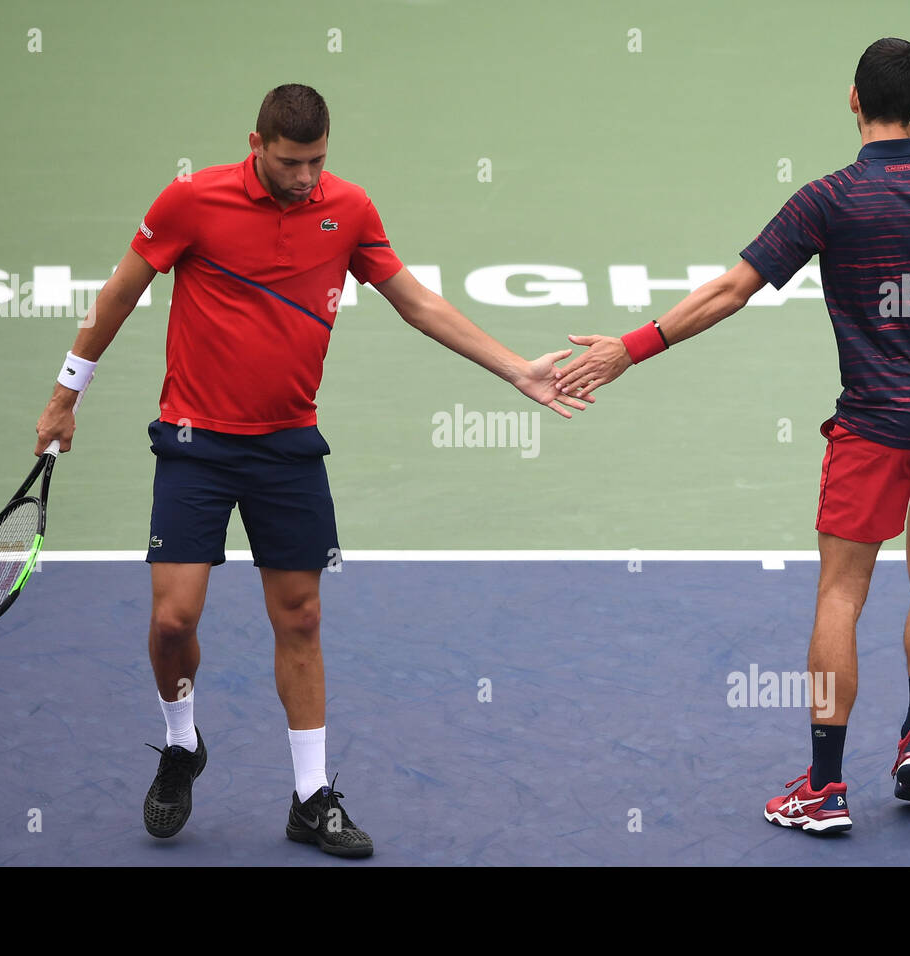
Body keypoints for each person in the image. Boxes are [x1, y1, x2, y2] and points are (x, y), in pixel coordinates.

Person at [554, 38, 910, 834]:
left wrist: (629, 351)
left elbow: (731, 290)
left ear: (854, 100)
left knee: (841, 593)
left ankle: (825, 787)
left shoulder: (828, 199)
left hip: (874, 429)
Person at [34, 84, 586, 857]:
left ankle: (310, 797)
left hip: (288, 446)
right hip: (195, 443)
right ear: (255, 142)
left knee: (300, 619)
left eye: (318, 161)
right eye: (291, 162)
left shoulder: (348, 209)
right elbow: (119, 295)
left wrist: (514, 371)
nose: (305, 177)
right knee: (173, 621)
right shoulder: (192, 201)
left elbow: (417, 303)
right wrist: (65, 398)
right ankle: (181, 744)